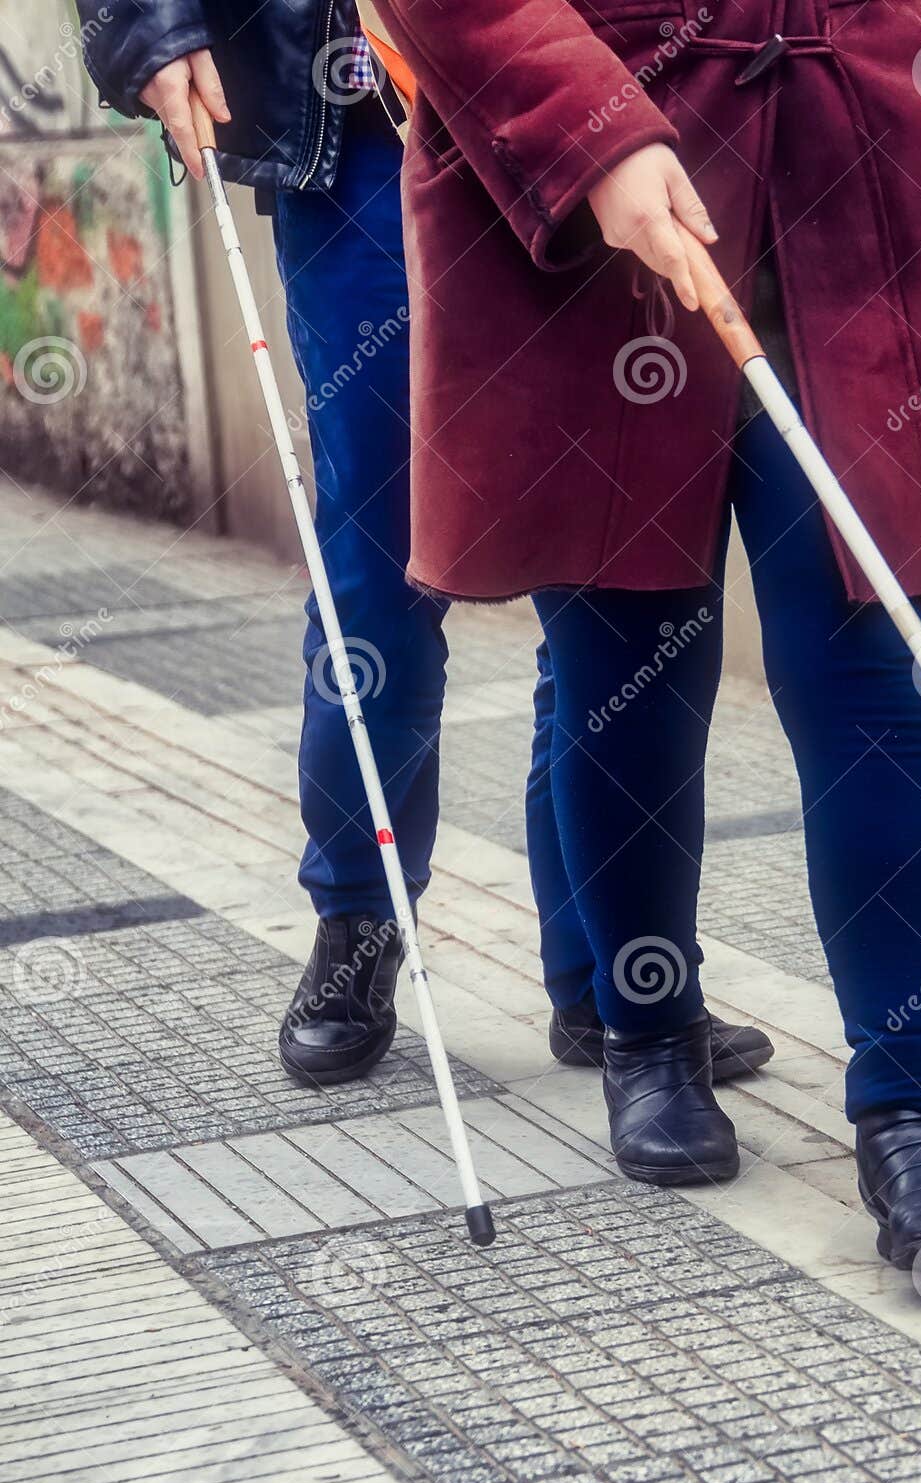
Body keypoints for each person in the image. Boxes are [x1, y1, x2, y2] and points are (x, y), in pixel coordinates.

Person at [360, 0, 921, 1269]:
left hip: (869, 207)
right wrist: (593, 135)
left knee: (887, 675)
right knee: (626, 667)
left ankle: (914, 1110)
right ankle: (647, 1026)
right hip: (586, 245)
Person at [76, 1, 772, 1089]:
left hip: (568, 96)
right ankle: (356, 918)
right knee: (375, 558)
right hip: (355, 128)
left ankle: (616, 971)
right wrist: (149, 29)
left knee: (598, 545)